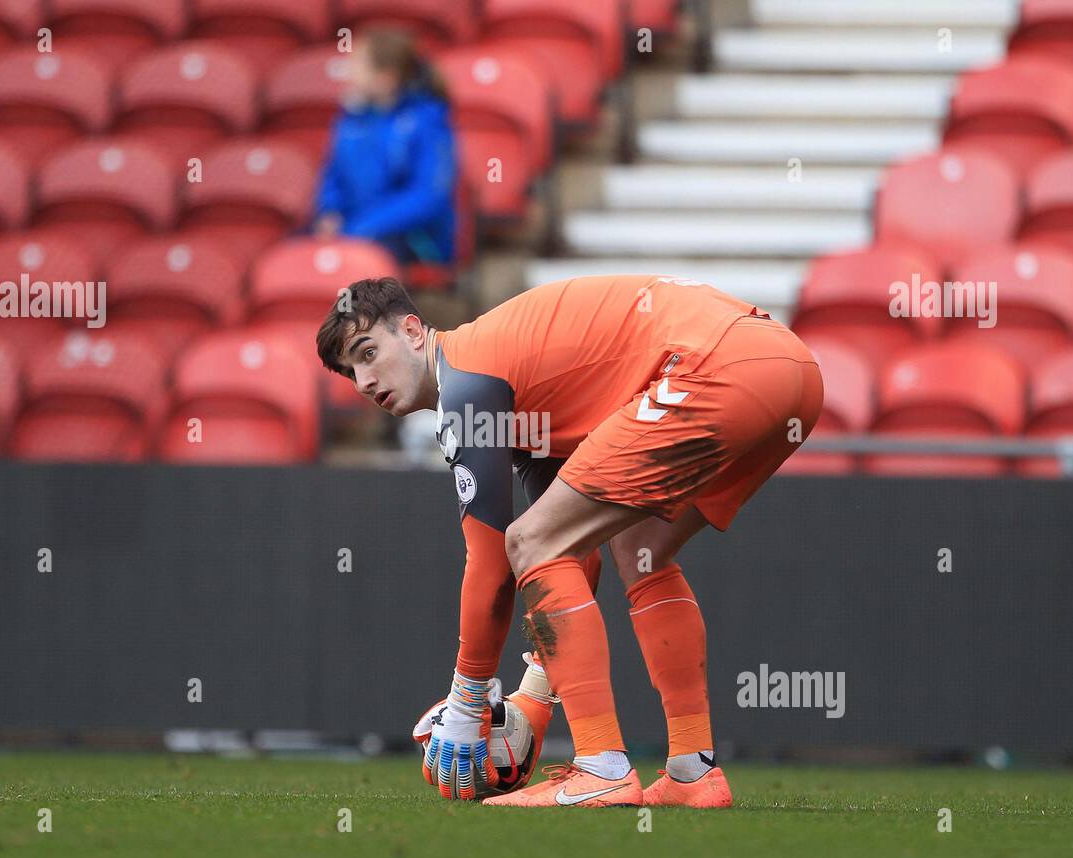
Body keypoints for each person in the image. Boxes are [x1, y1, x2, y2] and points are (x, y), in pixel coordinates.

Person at [316, 275, 824, 808]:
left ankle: (602, 767)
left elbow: (494, 562)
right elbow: (576, 554)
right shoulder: (510, 389)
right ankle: (692, 772)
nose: (364, 380)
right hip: (791, 372)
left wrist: (469, 700)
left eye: (368, 352)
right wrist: (535, 695)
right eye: (352, 371)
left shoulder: (466, 381)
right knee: (639, 550)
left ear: (415, 331)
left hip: (719, 366)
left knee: (529, 541)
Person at [311, 31, 457, 266]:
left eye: (358, 66)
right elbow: (333, 174)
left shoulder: (427, 122)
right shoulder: (350, 119)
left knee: (361, 262)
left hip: (412, 239)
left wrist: (364, 227)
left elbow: (429, 195)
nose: (349, 74)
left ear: (386, 78)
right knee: (298, 254)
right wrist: (330, 211)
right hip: (353, 230)